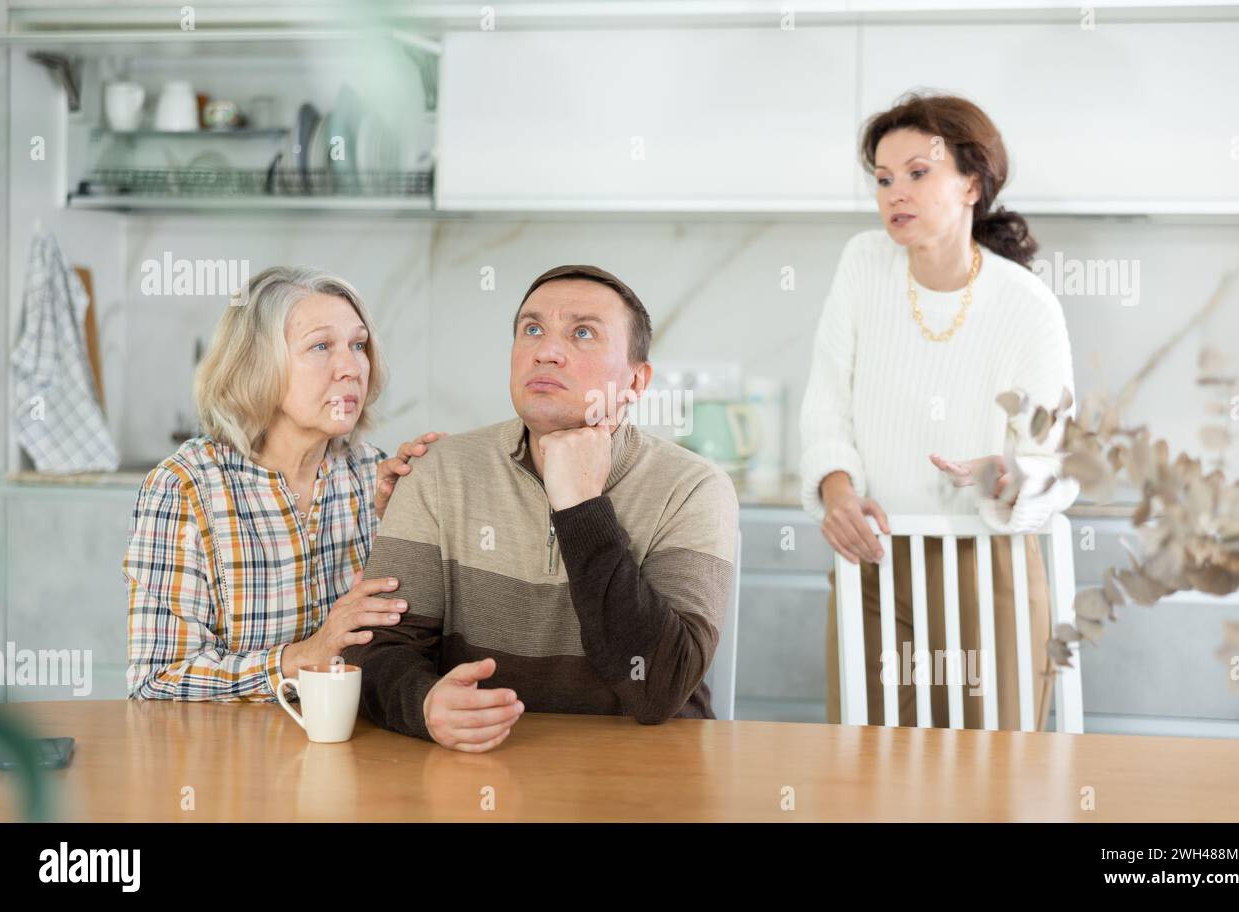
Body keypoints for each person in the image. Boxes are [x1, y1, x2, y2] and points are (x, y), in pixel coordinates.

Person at [344, 265, 740, 752]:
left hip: (650, 775)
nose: (547, 351)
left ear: (637, 381)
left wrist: (581, 506)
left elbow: (658, 687)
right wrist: (424, 703)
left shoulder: (694, 488)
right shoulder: (436, 471)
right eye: (532, 330)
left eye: (582, 333)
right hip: (480, 769)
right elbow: (380, 649)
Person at [799, 92, 1080, 729]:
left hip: (988, 570)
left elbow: (1057, 460)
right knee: (867, 781)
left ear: (971, 183)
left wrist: (1011, 478)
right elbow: (826, 409)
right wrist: (838, 493)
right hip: (873, 562)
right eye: (883, 179)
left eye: (918, 174)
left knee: (995, 786)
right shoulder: (863, 265)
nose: (896, 192)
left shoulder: (1027, 306)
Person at [124, 266, 443, 700]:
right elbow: (155, 682)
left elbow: (412, 644)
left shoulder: (374, 475)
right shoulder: (185, 488)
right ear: (256, 364)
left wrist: (413, 527)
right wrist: (305, 655)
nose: (351, 367)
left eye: (358, 345)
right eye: (321, 346)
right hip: (234, 759)